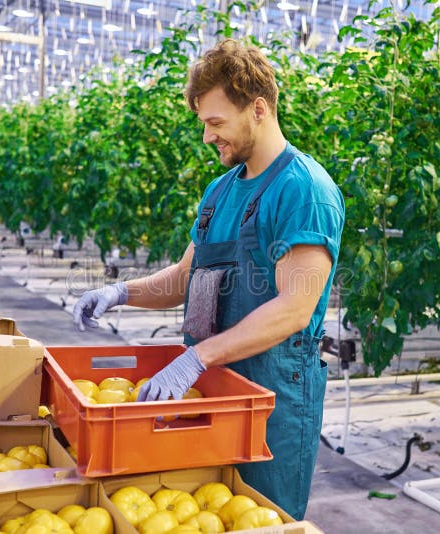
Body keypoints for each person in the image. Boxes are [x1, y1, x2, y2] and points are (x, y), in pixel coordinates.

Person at [73, 38, 344, 520]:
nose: (206, 137)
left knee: (259, 517)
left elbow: (294, 308)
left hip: (270, 399)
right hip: (211, 389)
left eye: (215, 123)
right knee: (196, 515)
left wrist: (196, 357)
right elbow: (184, 278)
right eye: (203, 124)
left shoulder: (303, 190)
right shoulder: (220, 191)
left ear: (258, 109)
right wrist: (119, 293)